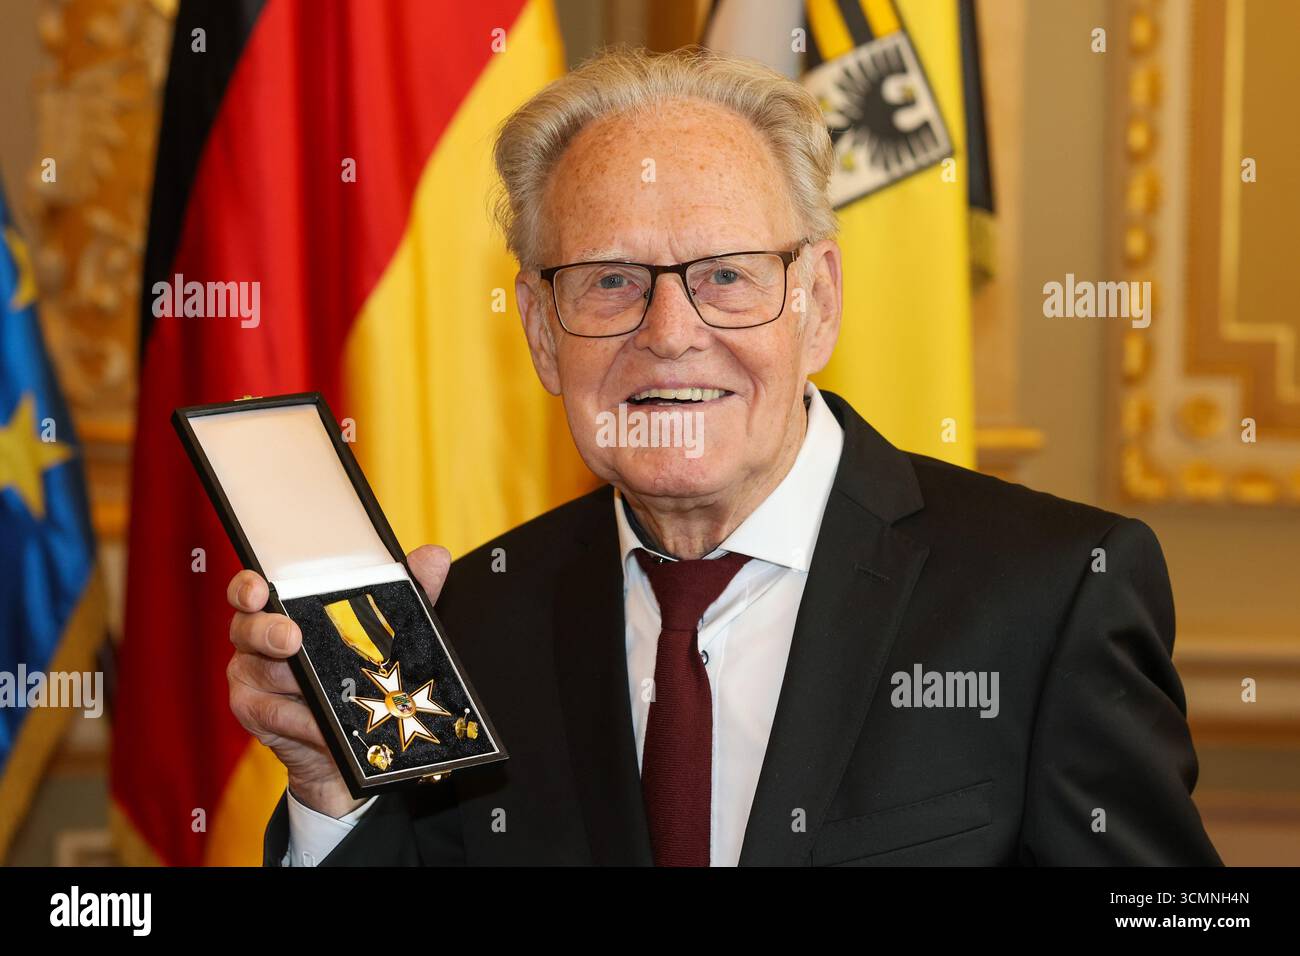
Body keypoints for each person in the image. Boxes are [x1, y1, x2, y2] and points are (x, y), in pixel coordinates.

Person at [225, 47, 1221, 866]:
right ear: (538, 328)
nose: (669, 331)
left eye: (725, 275)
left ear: (818, 302)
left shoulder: (1050, 598)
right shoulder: (469, 626)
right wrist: (329, 793)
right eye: (610, 280)